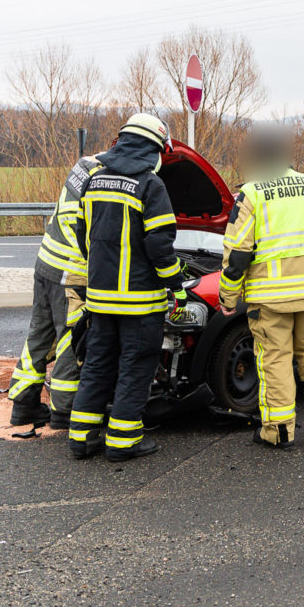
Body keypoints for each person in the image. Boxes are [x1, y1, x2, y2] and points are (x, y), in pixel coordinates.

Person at [219, 125, 304, 449]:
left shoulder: (253, 193)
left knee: (275, 360)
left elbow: (237, 253)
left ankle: (278, 431)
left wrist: (227, 295)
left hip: (271, 299)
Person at [66, 114, 186, 462]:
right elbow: (160, 247)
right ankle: (122, 442)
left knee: (98, 364)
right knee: (135, 366)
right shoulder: (150, 185)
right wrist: (176, 286)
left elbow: (82, 234)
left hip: (100, 298)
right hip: (139, 303)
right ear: (154, 148)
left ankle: (82, 439)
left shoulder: (95, 180)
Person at [6, 151, 102, 430]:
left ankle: (24, 404)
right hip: (69, 270)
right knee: (70, 339)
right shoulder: (103, 178)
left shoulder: (84, 164)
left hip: (46, 261)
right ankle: (64, 409)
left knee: (38, 334)